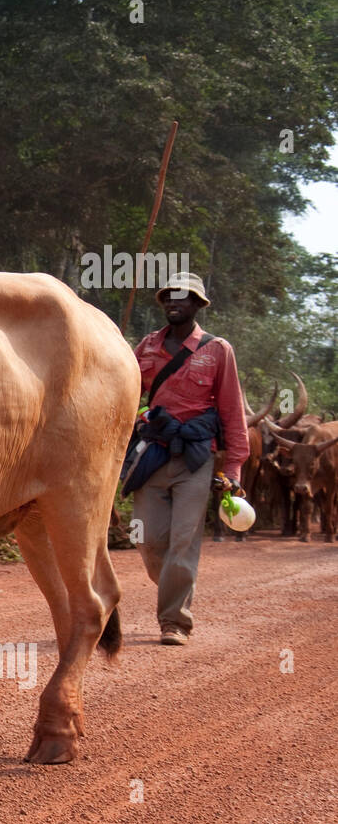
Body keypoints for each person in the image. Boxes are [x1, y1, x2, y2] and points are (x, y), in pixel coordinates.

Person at [126, 272, 249, 646]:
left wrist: (233, 469)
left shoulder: (217, 350)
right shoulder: (146, 347)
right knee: (146, 539)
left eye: (183, 297)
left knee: (183, 540)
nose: (174, 303)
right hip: (153, 454)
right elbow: (127, 396)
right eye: (168, 297)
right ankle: (173, 585)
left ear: (198, 304)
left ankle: (174, 621)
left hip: (196, 458)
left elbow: (231, 412)